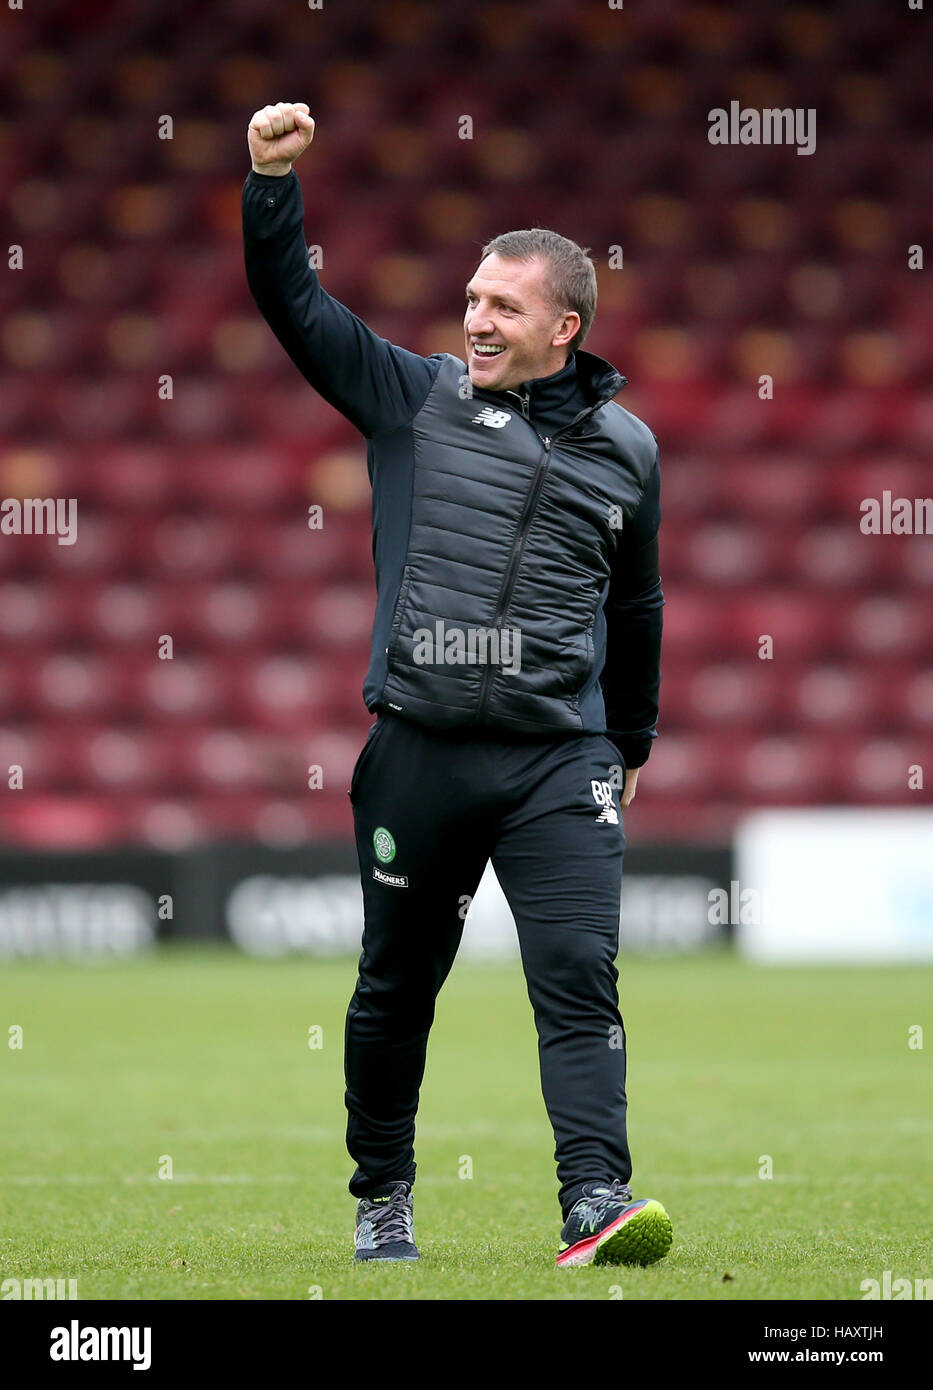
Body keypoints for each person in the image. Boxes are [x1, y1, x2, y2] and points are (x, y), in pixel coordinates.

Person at [243, 102, 672, 1268]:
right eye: (473, 299)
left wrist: (625, 738)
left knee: (579, 976)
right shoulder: (412, 398)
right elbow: (297, 308)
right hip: (420, 752)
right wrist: (272, 186)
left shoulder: (628, 452)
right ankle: (383, 1192)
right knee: (396, 988)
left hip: (558, 755)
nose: (474, 319)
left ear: (564, 328)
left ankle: (596, 1200)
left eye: (503, 306)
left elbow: (635, 605)